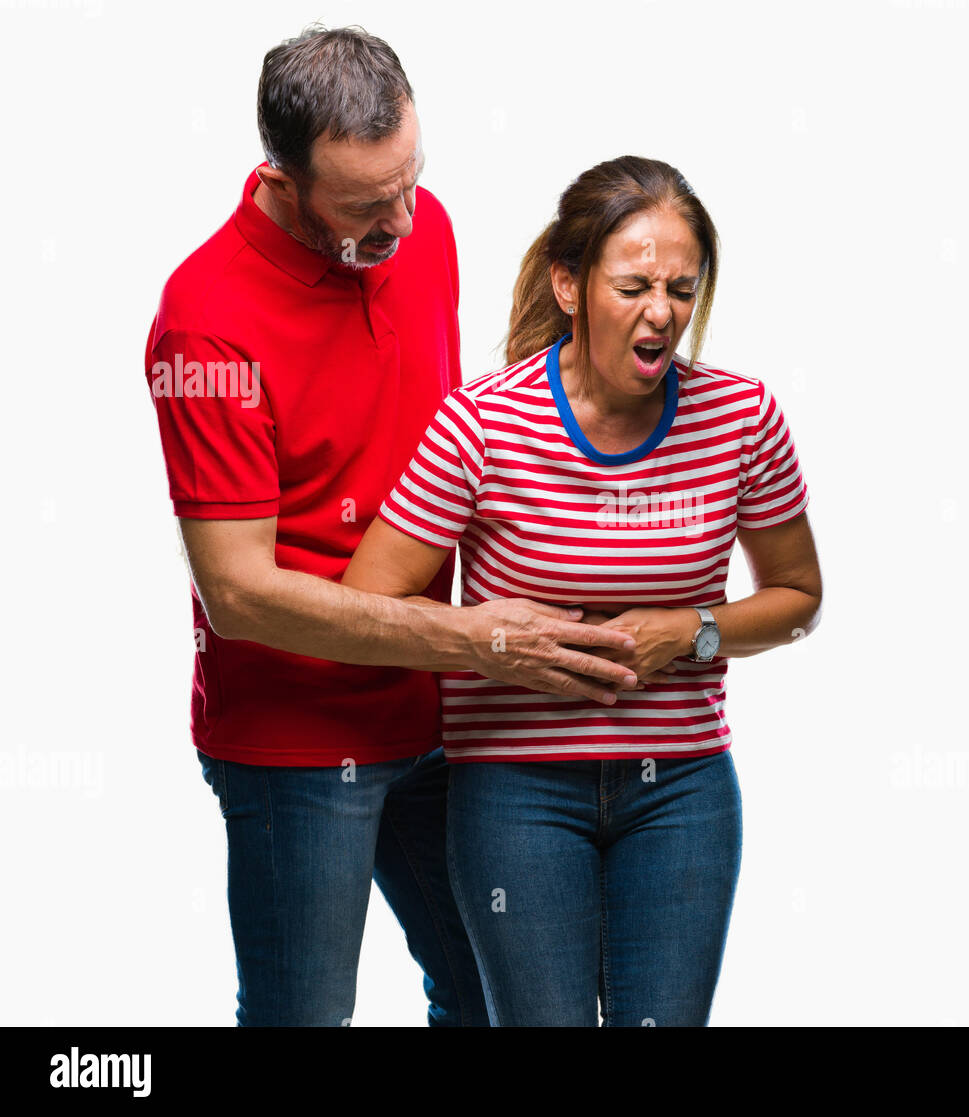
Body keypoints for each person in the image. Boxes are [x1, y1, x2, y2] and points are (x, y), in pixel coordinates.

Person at [143, 25, 636, 1027]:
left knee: (514, 995)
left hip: (438, 715)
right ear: (282, 179)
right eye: (369, 207)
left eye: (412, 180)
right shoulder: (206, 321)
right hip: (293, 742)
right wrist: (474, 637)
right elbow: (237, 596)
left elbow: (446, 447)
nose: (406, 219)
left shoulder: (428, 229)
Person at [343, 155, 824, 1026]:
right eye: (635, 284)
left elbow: (797, 596)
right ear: (570, 284)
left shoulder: (743, 418)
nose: (663, 312)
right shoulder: (481, 423)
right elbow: (367, 608)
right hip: (513, 790)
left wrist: (694, 630)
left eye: (682, 288)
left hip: (681, 792)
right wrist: (494, 639)